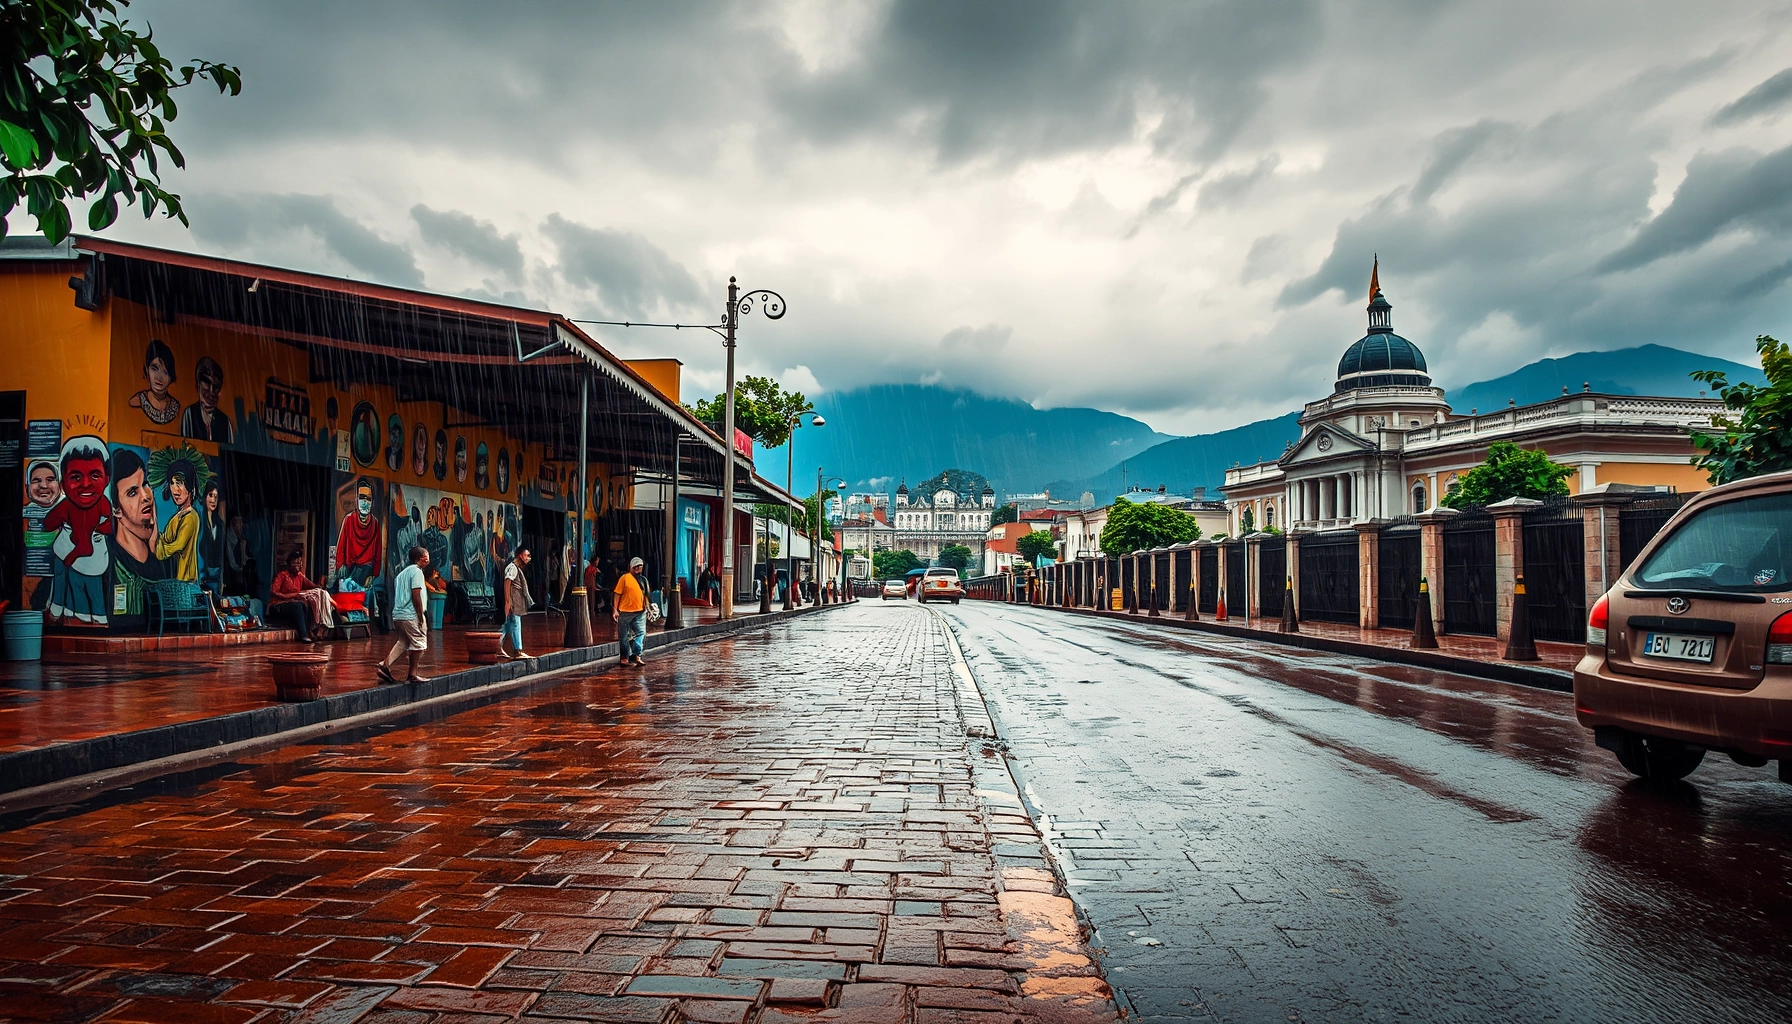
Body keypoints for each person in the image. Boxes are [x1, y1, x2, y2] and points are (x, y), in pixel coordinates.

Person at [379, 546, 431, 684]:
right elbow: (416, 594)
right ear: (422, 558)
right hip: (411, 615)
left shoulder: (401, 574)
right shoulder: (417, 572)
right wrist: (420, 616)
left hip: (398, 615)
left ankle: (384, 666)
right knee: (419, 644)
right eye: (427, 555)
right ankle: (412, 674)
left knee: (403, 642)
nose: (428, 558)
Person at [271, 550, 335, 642]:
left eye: (300, 562)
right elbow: (274, 592)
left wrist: (321, 586)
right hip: (278, 605)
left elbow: (313, 586)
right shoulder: (282, 575)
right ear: (289, 564)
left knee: (307, 604)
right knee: (298, 606)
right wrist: (291, 596)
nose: (299, 565)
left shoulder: (300, 577)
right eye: (295, 562)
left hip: (293, 603)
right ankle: (304, 635)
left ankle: (312, 632)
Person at [179, 356, 233, 442]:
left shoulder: (225, 421)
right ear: (198, 384)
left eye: (216, 387)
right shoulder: (190, 414)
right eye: (207, 383)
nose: (211, 392)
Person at [128, 339, 180, 425]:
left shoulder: (175, 407)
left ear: (171, 377)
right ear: (147, 370)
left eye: (165, 372)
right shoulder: (137, 401)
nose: (159, 377)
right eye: (154, 369)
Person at [613, 554, 648, 667]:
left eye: (640, 566)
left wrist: (647, 606)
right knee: (623, 636)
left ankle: (637, 655)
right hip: (625, 612)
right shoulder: (624, 578)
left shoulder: (643, 580)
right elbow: (617, 594)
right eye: (636, 567)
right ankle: (624, 658)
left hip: (640, 612)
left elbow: (646, 594)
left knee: (641, 633)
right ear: (631, 567)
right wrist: (615, 609)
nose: (638, 569)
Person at [502, 546, 533, 659]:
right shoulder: (513, 567)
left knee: (508, 625)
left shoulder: (517, 568)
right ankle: (518, 650)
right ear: (520, 555)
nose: (528, 558)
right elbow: (507, 582)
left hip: (516, 600)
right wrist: (508, 601)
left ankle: (497, 646)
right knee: (516, 623)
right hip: (513, 600)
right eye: (526, 555)